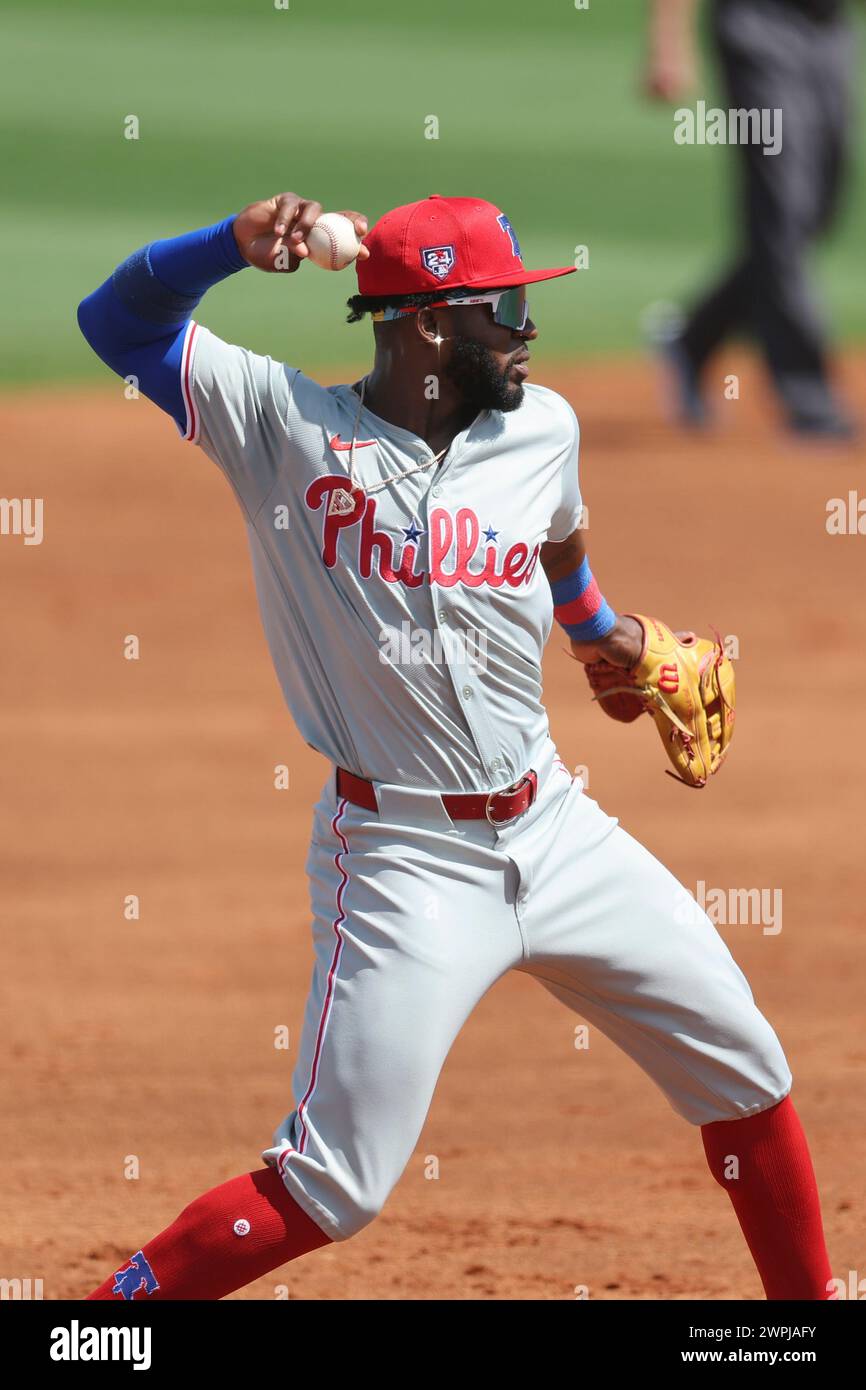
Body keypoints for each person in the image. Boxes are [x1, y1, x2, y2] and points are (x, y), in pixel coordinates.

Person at [77, 192, 833, 1300]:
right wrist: (227, 248)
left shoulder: (543, 427)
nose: (525, 330)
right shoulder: (282, 430)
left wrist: (599, 641)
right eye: (504, 309)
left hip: (557, 828)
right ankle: (100, 1327)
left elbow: (560, 540)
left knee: (749, 1072)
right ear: (428, 326)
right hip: (400, 864)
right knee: (334, 1185)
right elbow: (118, 325)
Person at [646, 0, 857, 437]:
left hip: (830, 28)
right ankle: (810, 400)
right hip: (758, 25)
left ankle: (694, 338)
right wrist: (668, 41)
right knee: (781, 208)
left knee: (815, 213)